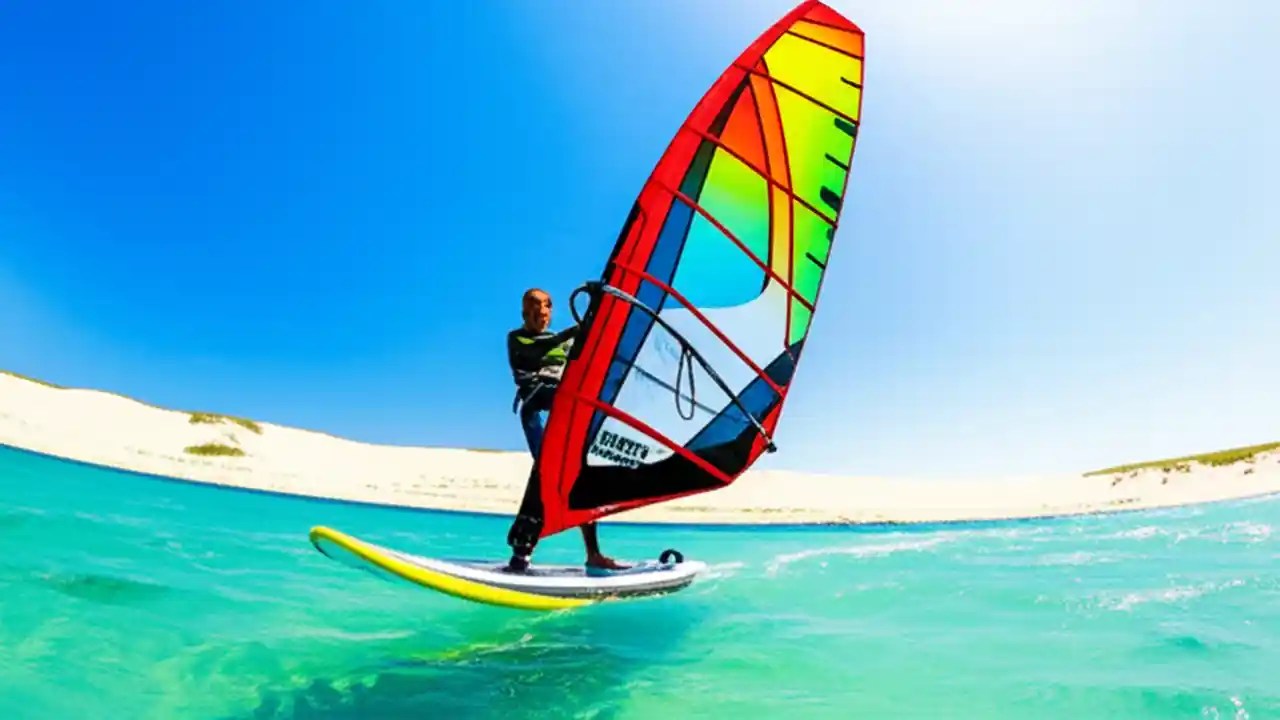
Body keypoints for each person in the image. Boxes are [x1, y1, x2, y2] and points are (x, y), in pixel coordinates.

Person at [504, 287, 629, 574]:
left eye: (546, 307)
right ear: (524, 313)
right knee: (546, 471)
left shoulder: (565, 340)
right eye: (534, 308)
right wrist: (578, 329)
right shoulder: (517, 338)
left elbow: (590, 355)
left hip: (565, 411)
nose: (541, 313)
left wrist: (600, 310)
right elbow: (537, 350)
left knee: (578, 474)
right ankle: (521, 553)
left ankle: (593, 554)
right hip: (538, 408)